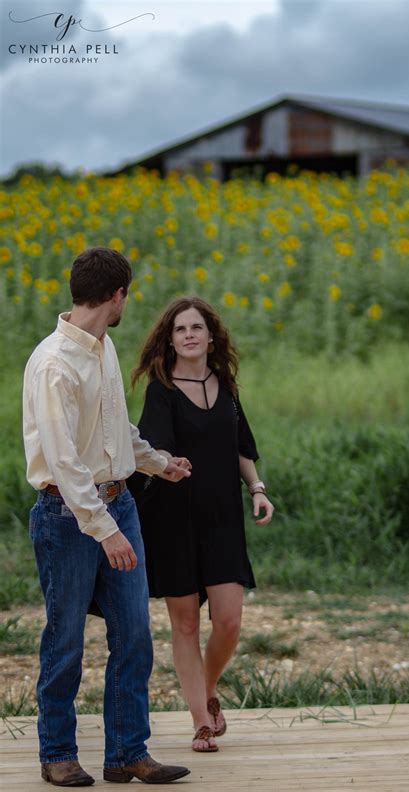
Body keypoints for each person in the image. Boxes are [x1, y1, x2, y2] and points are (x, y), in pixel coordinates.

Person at [22, 247, 192, 787]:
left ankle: (126, 753)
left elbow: (113, 432)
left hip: (119, 503)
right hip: (67, 516)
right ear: (117, 295)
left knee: (134, 635)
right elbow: (68, 463)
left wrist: (157, 463)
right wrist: (107, 529)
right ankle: (57, 754)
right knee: (66, 639)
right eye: (127, 295)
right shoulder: (54, 364)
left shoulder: (103, 346)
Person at [129, 296, 274, 753]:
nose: (189, 334)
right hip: (174, 519)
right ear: (170, 341)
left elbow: (241, 448)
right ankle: (200, 722)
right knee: (186, 623)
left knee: (229, 621)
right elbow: (150, 452)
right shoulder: (161, 389)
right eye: (180, 329)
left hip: (223, 517)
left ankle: (207, 688)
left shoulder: (225, 385)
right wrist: (170, 460)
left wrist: (257, 490)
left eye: (196, 327)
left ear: (211, 336)